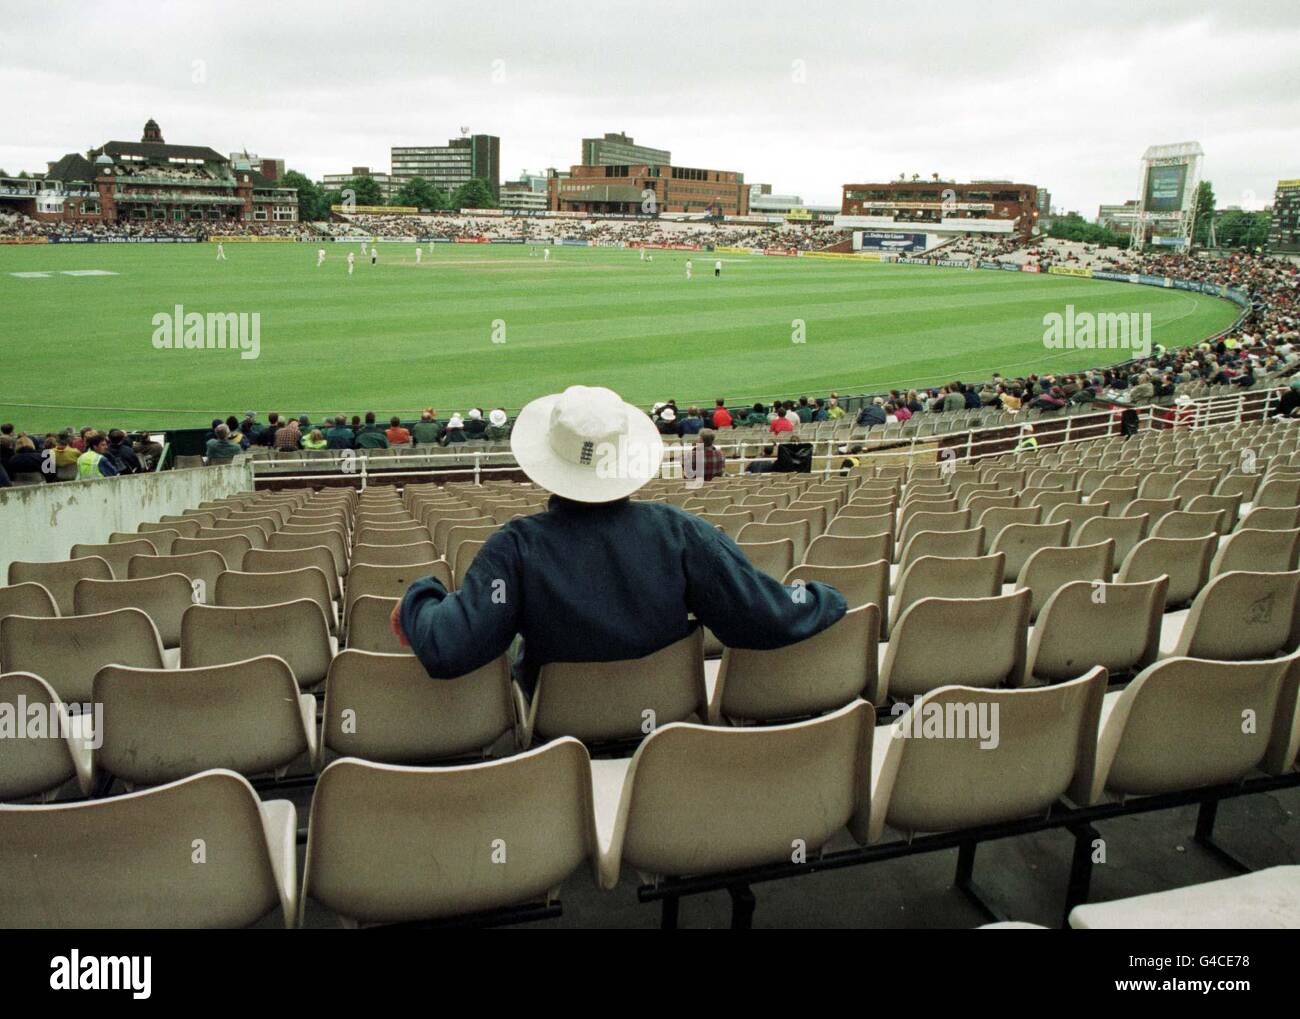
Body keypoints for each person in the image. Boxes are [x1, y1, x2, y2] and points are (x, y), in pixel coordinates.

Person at [391, 385, 845, 697]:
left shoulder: (515, 548)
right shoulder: (679, 532)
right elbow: (764, 615)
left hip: (554, 741)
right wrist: (830, 597)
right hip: (666, 733)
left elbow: (450, 648)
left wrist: (420, 596)